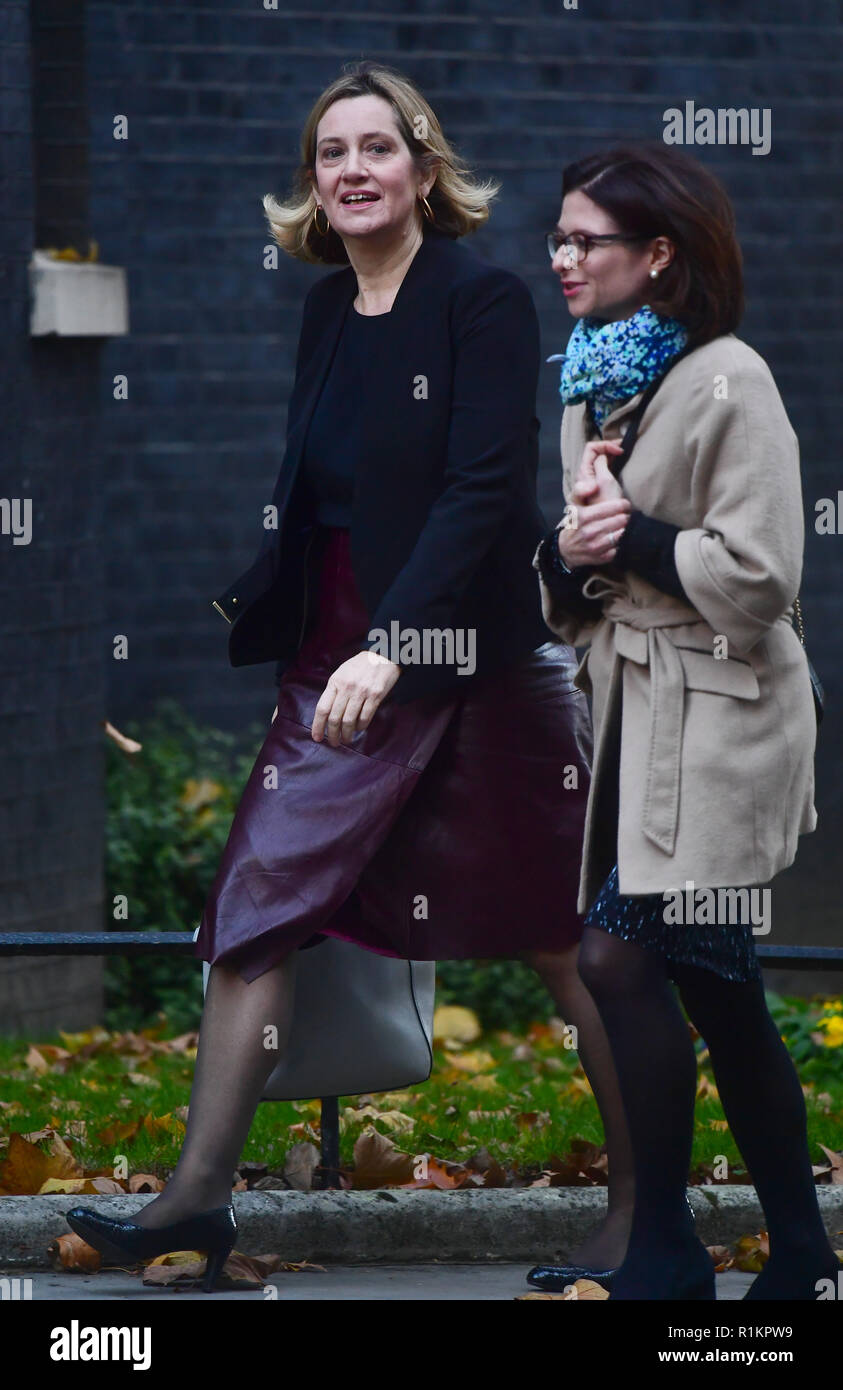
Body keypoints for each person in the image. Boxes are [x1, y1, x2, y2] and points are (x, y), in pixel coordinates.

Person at [66, 63, 635, 1291]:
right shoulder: (327, 308)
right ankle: (194, 1206)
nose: (355, 171)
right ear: (314, 183)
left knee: (569, 940)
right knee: (253, 907)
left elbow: (485, 493)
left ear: (425, 169)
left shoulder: (480, 302)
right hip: (332, 658)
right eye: (333, 153)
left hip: (469, 663)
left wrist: (397, 641)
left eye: (380, 147)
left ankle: (646, 1210)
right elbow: (325, 491)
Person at [531, 142, 838, 1301]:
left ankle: (664, 1244)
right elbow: (579, 580)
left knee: (614, 957)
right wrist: (564, 555)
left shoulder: (732, 379)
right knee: (720, 992)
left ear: (658, 254)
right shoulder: (593, 385)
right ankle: (800, 1252)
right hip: (633, 724)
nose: (562, 258)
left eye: (586, 241)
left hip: (720, 728)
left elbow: (763, 574)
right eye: (556, 239)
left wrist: (636, 541)